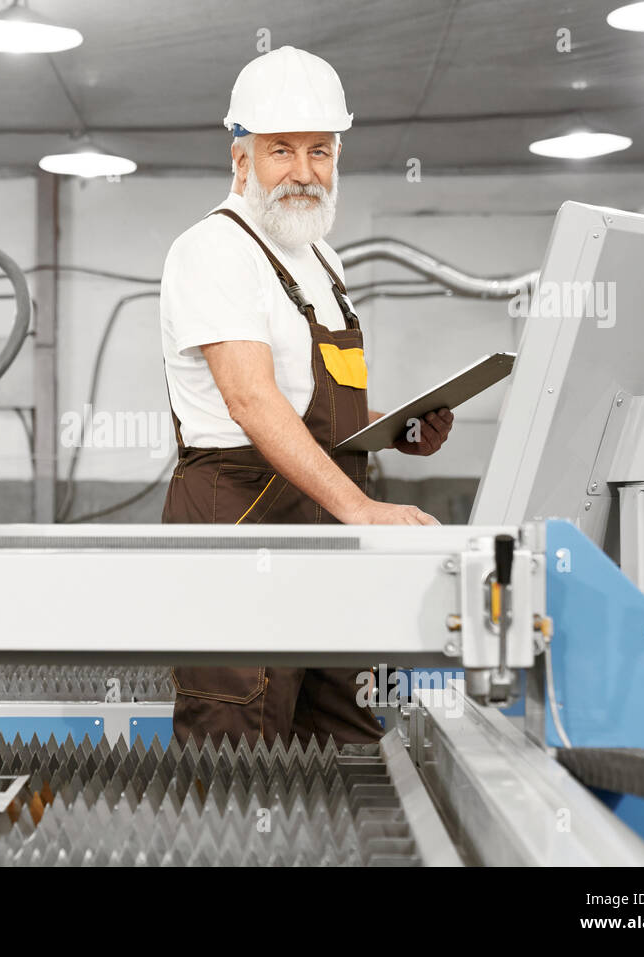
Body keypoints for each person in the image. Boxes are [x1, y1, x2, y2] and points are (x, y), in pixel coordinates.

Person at [159, 46, 454, 749]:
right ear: (242, 159)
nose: (302, 171)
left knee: (346, 736)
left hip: (328, 523)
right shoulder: (213, 250)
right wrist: (361, 508)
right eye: (280, 150)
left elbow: (322, 410)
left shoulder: (324, 258)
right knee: (238, 741)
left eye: (319, 151)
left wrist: (395, 429)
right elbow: (252, 400)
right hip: (241, 518)